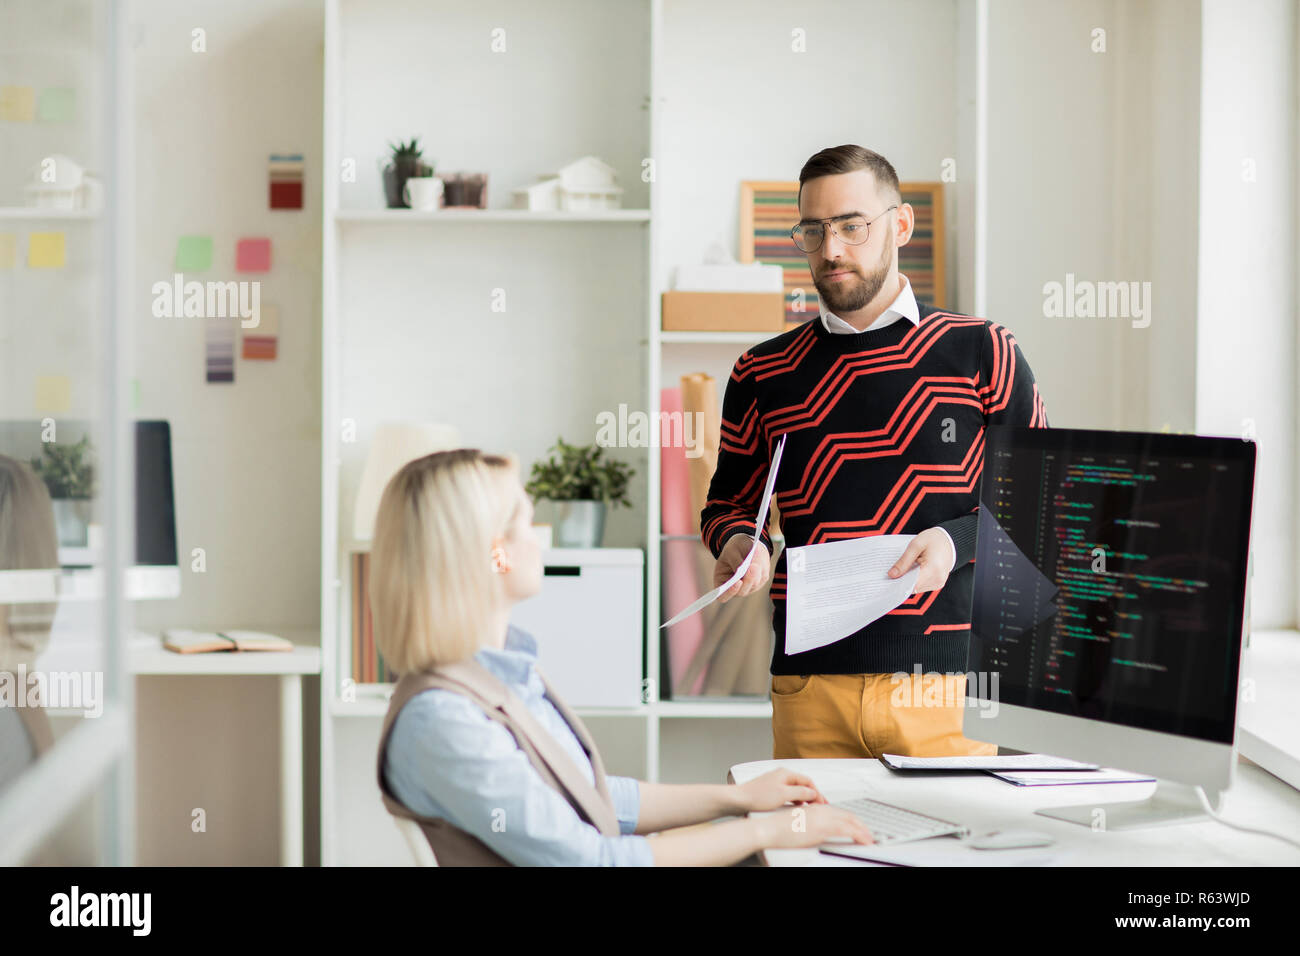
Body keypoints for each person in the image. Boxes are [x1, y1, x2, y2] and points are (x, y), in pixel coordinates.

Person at [702, 144, 1048, 761]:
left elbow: (1043, 510)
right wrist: (739, 544)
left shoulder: (983, 351)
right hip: (809, 687)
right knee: (807, 858)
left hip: (955, 689)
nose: (832, 249)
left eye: (852, 226)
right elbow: (726, 505)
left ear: (901, 225)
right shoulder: (762, 371)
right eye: (814, 230)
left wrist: (955, 541)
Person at [373, 448, 873, 865]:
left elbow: (591, 794)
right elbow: (596, 861)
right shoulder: (443, 720)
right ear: (493, 553)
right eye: (526, 522)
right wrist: (764, 834)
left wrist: (738, 799)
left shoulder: (496, 675)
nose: (539, 537)